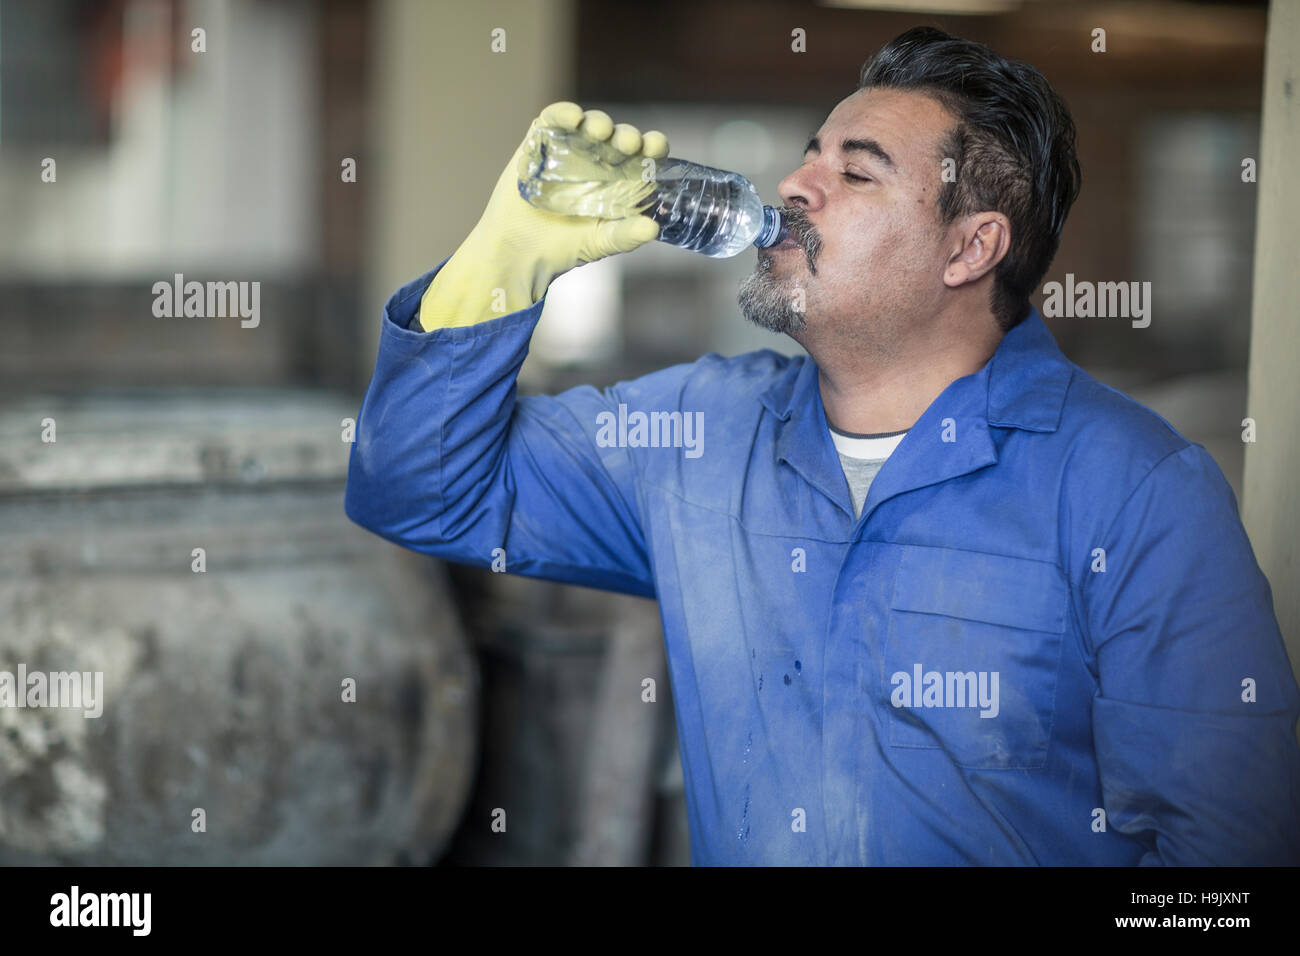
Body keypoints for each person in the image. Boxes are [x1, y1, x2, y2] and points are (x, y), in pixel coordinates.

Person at [345, 26, 1300, 864]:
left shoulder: (1134, 491)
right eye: (810, 155)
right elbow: (419, 491)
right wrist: (504, 256)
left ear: (969, 250)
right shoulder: (692, 438)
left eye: (855, 170)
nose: (795, 186)